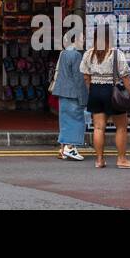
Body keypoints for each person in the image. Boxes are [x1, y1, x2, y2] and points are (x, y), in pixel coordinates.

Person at [81, 21, 130, 170]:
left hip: (95, 90)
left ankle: (99, 160)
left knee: (98, 128)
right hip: (112, 91)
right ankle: (121, 159)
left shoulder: (89, 54)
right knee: (121, 127)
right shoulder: (116, 54)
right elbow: (126, 77)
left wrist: (91, 91)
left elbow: (85, 77)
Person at [50, 27, 88, 161]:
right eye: (82, 38)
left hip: (62, 90)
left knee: (65, 121)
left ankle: (62, 150)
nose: (84, 40)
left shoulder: (64, 53)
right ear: (75, 39)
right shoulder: (77, 55)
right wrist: (84, 98)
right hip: (73, 93)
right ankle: (70, 147)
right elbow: (79, 79)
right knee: (76, 120)